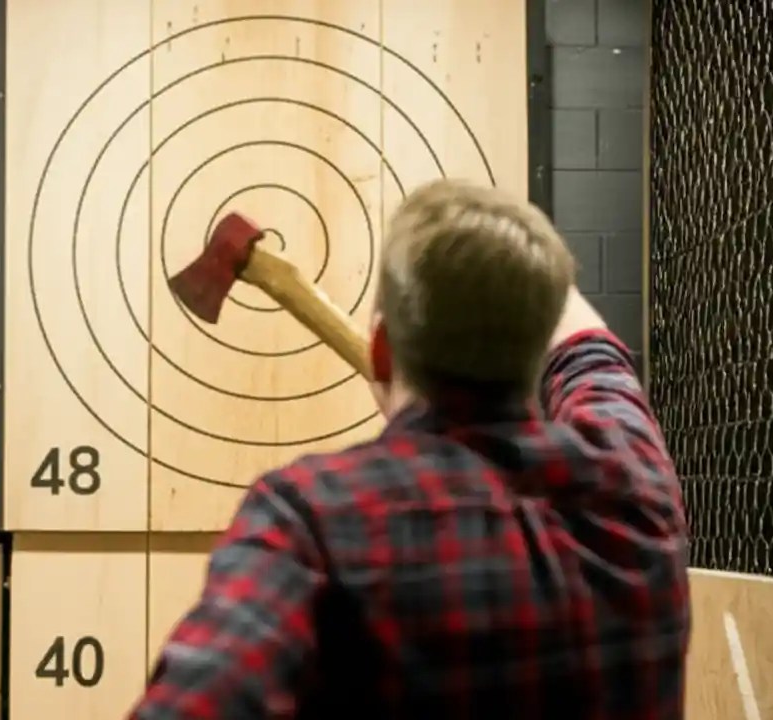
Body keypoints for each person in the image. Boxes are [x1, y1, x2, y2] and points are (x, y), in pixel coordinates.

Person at [127, 179, 690, 719]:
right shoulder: (633, 484)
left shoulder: (312, 520)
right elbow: (590, 350)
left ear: (378, 350)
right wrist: (495, 247)